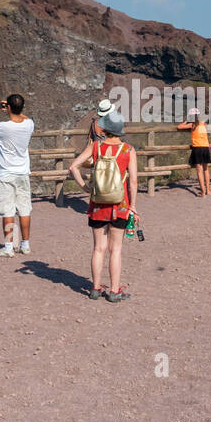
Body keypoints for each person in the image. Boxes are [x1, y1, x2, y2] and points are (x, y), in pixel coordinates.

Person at [69, 109, 138, 302]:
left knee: (98, 248)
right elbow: (133, 181)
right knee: (115, 249)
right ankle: (114, 291)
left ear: (105, 129)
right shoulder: (128, 150)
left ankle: (95, 288)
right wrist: (133, 205)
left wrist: (85, 188)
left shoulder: (96, 147)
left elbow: (73, 166)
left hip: (97, 203)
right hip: (121, 204)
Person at [0, 93, 35, 256]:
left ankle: (9, 247)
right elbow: (23, 117)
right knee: (24, 210)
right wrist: (14, 108)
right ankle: (25, 245)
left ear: (8, 108)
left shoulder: (3, 127)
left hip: (6, 174)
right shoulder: (29, 124)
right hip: (23, 173)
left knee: (8, 211)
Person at [176, 106, 211, 197]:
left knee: (199, 171)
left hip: (197, 148)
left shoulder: (192, 125)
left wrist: (186, 120)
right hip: (205, 147)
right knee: (206, 169)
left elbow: (179, 127)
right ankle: (208, 190)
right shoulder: (203, 124)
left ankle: (203, 193)